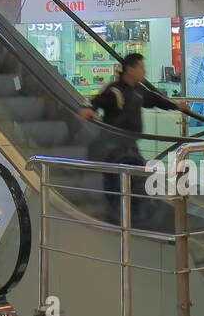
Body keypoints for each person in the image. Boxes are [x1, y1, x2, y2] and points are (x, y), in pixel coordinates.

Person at [77, 53, 191, 225]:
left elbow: (155, 100)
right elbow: (98, 101)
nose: (144, 71)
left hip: (130, 146)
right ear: (130, 69)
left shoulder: (138, 91)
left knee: (139, 180)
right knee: (116, 183)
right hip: (113, 148)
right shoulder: (114, 90)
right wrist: (89, 109)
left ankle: (136, 218)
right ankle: (117, 219)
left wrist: (176, 106)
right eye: (141, 67)